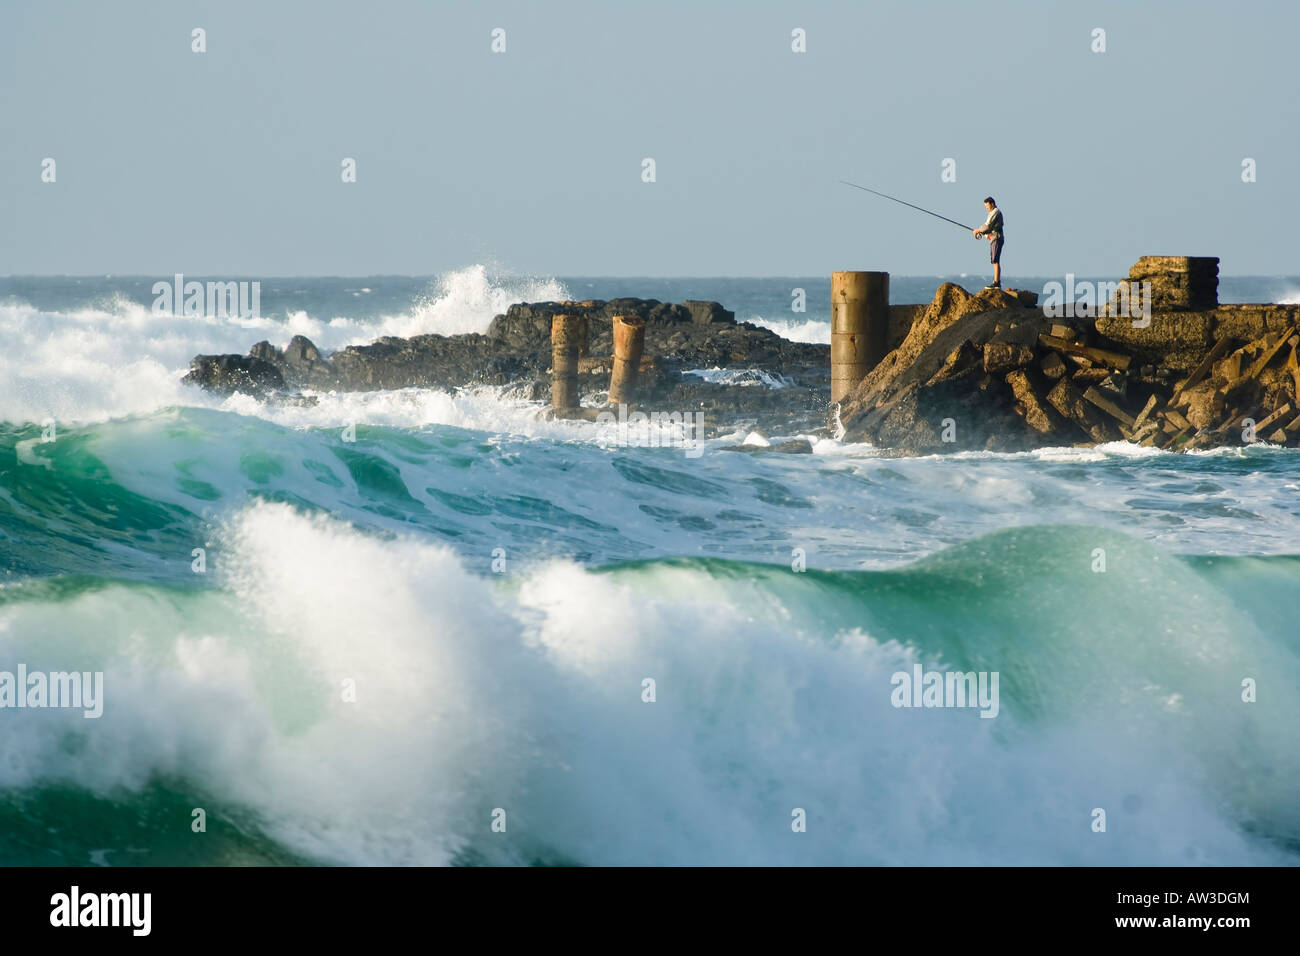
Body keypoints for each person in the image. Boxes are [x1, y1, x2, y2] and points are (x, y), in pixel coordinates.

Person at [972, 197, 1004, 289]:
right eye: (985, 206)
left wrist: (978, 230)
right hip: (994, 238)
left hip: (996, 238)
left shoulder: (995, 212)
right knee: (994, 260)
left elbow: (987, 226)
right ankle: (996, 282)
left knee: (995, 261)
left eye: (987, 206)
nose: (987, 208)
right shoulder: (992, 213)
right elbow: (988, 229)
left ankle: (996, 283)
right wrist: (982, 233)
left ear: (992, 204)